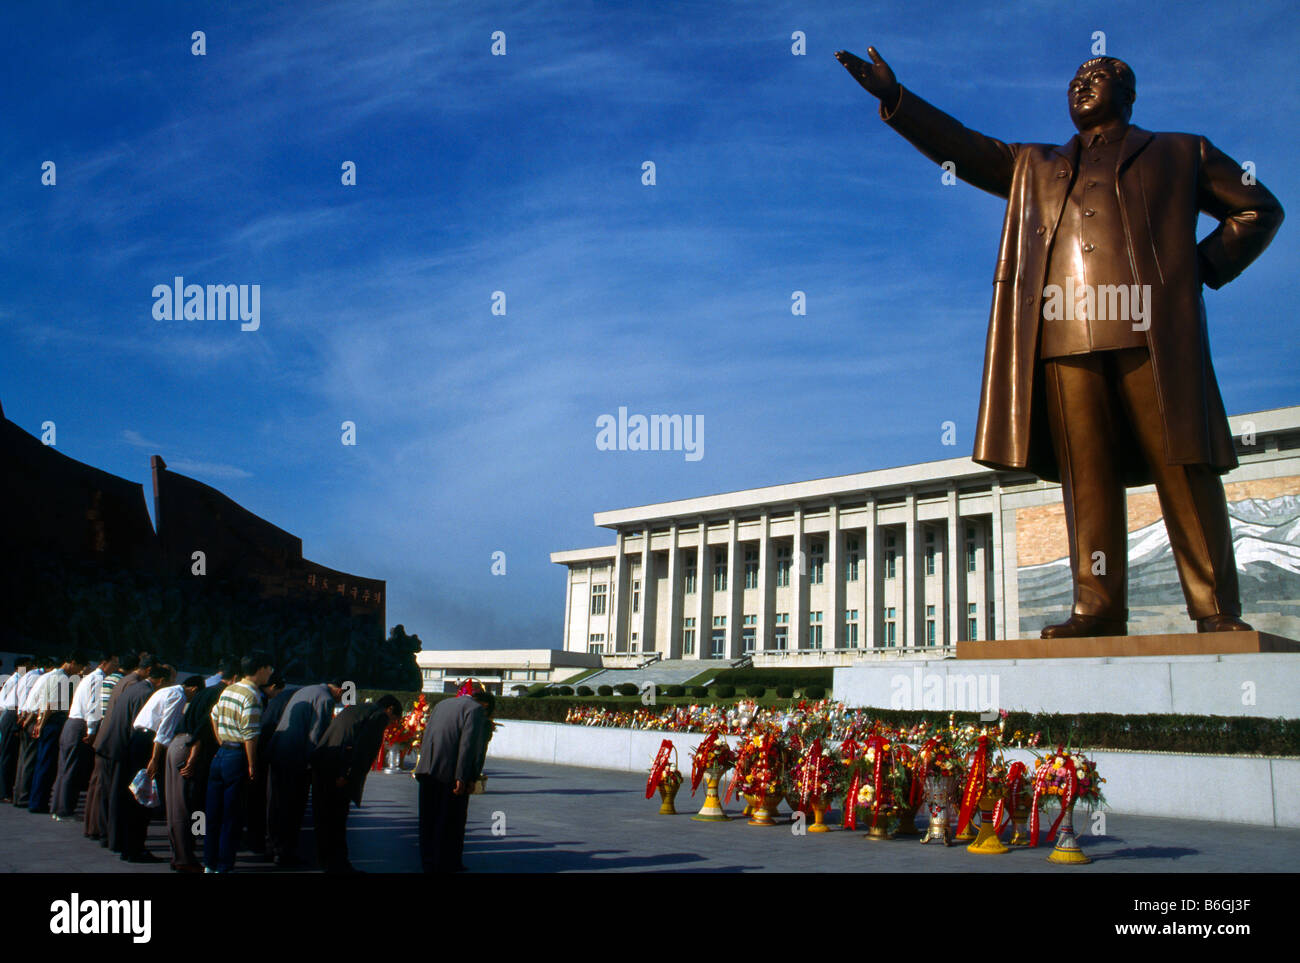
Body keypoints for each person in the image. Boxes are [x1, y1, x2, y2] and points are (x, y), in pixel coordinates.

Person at [834, 48, 1284, 638]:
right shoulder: (1035, 165)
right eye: (1074, 80)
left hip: (1150, 328)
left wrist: (1191, 270)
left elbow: (1258, 208)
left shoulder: (1180, 151)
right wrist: (897, 100)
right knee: (1086, 475)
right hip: (1063, 332)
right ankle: (1096, 609)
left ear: (1128, 93)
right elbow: (964, 148)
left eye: (1095, 78)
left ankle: (1216, 609)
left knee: (1185, 464)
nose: (1080, 86)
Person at [308, 695, 402, 873]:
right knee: (337, 818)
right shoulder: (378, 715)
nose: (391, 724)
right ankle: (338, 864)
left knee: (323, 817)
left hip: (323, 761)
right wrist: (346, 773)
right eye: (394, 719)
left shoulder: (357, 708)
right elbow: (361, 748)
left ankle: (325, 861)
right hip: (338, 769)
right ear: (389, 709)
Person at [205, 653, 274, 873]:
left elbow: (213, 715)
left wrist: (221, 741)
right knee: (231, 816)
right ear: (260, 669)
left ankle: (209, 863)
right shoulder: (252, 696)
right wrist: (253, 764)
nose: (271, 673)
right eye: (269, 668)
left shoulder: (229, 689)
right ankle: (224, 865)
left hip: (222, 753)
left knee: (214, 813)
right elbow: (250, 734)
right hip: (237, 756)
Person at [413, 688, 494, 873]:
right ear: (485, 704)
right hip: (450, 773)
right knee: (452, 820)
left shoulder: (443, 704)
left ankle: (428, 861)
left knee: (428, 819)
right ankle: (448, 862)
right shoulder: (475, 710)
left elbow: (428, 736)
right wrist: (464, 777)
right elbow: (468, 745)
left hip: (427, 769)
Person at [266, 679, 343, 866]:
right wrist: (315, 765)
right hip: (295, 758)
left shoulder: (308, 689)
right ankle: (285, 853)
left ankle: (274, 846)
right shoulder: (325, 699)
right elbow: (316, 735)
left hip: (278, 750)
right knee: (293, 805)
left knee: (276, 802)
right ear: (340, 689)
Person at [166, 660, 235, 872]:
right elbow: (202, 729)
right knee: (189, 805)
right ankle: (186, 859)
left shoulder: (208, 691)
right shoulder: (219, 694)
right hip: (190, 748)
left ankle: (183, 854)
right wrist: (194, 757)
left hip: (177, 744)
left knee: (180, 804)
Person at [95, 654, 157, 853]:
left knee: (109, 795)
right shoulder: (140, 689)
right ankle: (115, 839)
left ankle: (109, 837)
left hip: (111, 743)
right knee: (117, 797)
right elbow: (138, 726)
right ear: (149, 671)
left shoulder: (129, 683)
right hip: (121, 747)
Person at [51, 652, 116, 820]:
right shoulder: (98, 679)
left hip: (71, 723)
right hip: (80, 725)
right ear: (104, 663)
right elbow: (93, 707)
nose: (115, 668)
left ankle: (57, 807)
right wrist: (92, 731)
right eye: (113, 664)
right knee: (72, 769)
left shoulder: (88, 678)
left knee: (64, 768)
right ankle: (65, 810)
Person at [28, 651, 89, 814]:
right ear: (72, 662)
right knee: (46, 763)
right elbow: (51, 704)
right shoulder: (60, 677)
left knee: (43, 761)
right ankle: (38, 802)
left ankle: (37, 800)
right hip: (53, 722)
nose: (80, 671)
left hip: (49, 721)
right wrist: (41, 725)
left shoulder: (56, 675)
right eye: (80, 667)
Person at [84, 653, 136, 840]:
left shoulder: (112, 680)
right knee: (104, 785)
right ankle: (99, 827)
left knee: (97, 783)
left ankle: (92, 826)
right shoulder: (124, 682)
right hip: (109, 736)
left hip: (102, 734)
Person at [12, 656, 52, 807]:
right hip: (31, 718)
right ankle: (24, 796)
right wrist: (28, 721)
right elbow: (36, 705)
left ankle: (18, 793)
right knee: (29, 760)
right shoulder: (39, 677)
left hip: (24, 716)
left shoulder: (32, 676)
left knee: (22, 759)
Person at [0, 656, 33, 802]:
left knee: (10, 755)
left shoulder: (18, 679)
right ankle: (4, 792)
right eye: (28, 665)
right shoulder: (15, 680)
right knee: (7, 755)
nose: (30, 668)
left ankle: (7, 789)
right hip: (11, 714)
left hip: (11, 714)